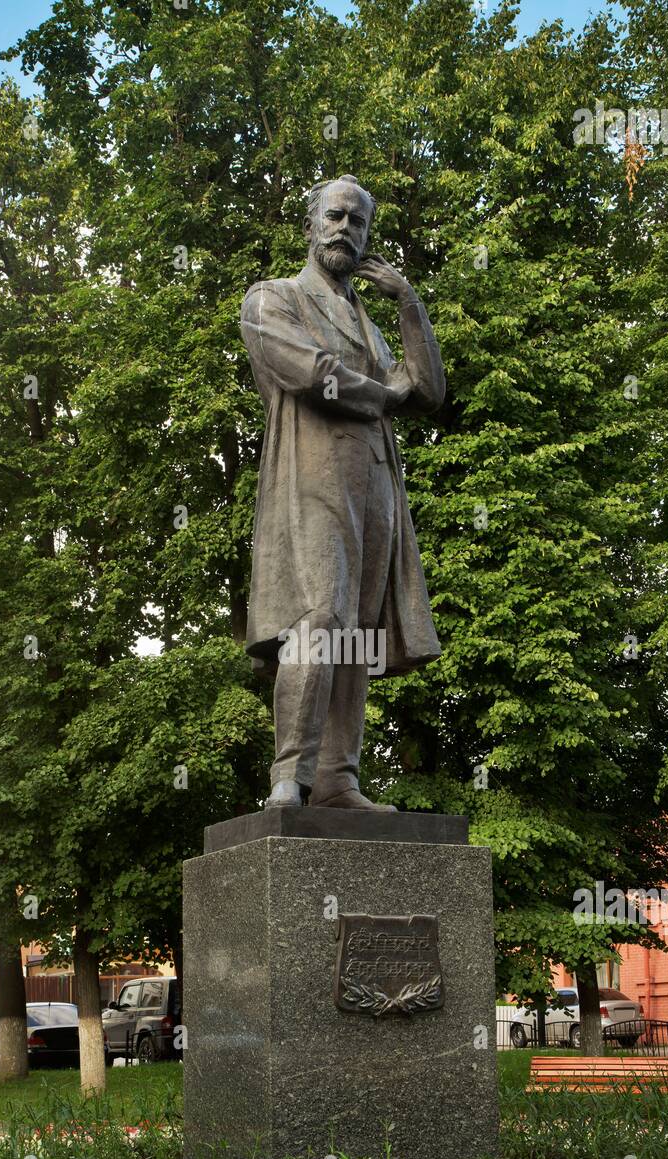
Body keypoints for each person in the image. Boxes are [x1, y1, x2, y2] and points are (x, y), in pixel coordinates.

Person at [240, 174, 445, 810]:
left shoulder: (369, 323)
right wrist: (383, 395)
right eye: (334, 216)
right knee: (320, 619)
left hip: (377, 484)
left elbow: (430, 390)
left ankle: (337, 780)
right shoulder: (272, 299)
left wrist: (408, 303)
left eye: (357, 222)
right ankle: (289, 777)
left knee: (356, 630)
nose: (344, 229)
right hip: (311, 478)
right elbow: (310, 372)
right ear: (310, 225)